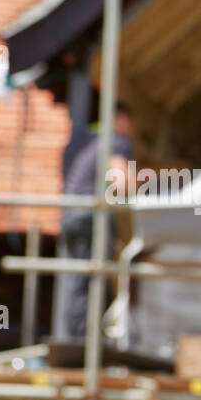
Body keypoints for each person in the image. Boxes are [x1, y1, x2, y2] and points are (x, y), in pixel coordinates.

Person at [58, 103, 134, 340]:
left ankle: (77, 341)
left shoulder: (85, 141)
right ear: (120, 119)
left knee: (79, 279)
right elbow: (123, 183)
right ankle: (85, 345)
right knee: (92, 280)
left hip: (70, 215)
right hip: (91, 217)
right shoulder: (117, 141)